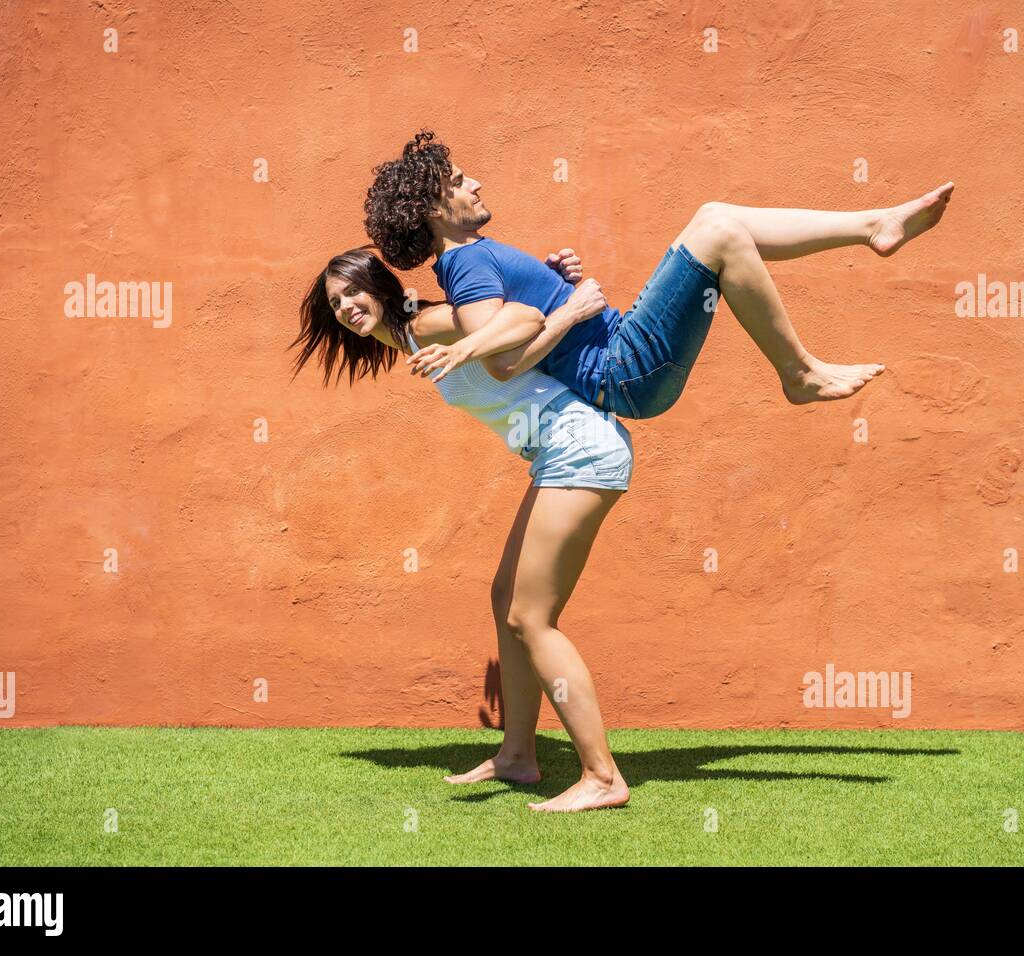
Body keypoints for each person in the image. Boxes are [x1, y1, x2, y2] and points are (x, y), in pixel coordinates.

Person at [292, 245, 637, 812]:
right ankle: (518, 756)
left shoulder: (427, 323)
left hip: (580, 446)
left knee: (531, 617)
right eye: (335, 302)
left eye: (353, 290)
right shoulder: (408, 340)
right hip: (555, 452)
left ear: (379, 286)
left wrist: (568, 309)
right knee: (505, 596)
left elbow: (522, 316)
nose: (347, 306)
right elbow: (508, 319)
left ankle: (602, 777)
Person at [364, 130, 954, 418]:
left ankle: (874, 225)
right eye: (461, 181)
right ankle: (799, 372)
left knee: (719, 221)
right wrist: (568, 312)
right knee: (717, 227)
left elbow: (509, 324)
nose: (476, 185)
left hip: (624, 359)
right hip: (622, 369)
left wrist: (552, 281)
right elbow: (501, 360)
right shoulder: (464, 262)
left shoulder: (470, 258)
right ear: (434, 207)